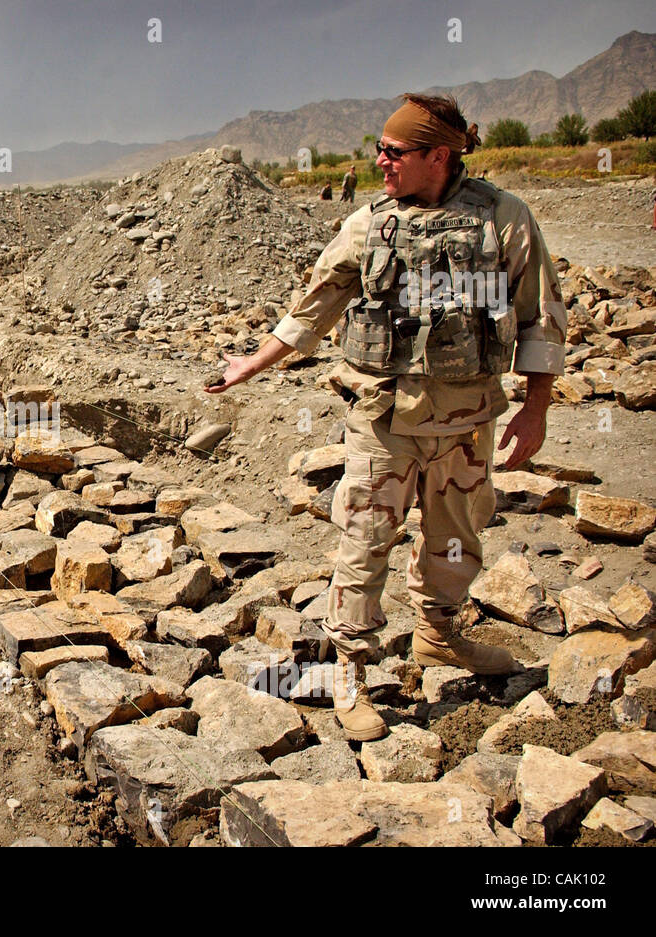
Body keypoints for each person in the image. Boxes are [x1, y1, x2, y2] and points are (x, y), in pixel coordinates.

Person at [206, 94, 566, 741]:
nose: (379, 162)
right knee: (364, 542)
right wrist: (251, 364)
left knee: (456, 542)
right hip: (384, 423)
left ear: (438, 156)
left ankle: (437, 633)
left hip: (466, 425)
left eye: (394, 152)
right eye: (379, 148)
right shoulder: (368, 226)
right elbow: (313, 307)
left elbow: (541, 316)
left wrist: (536, 407)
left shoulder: (504, 219)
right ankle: (350, 668)